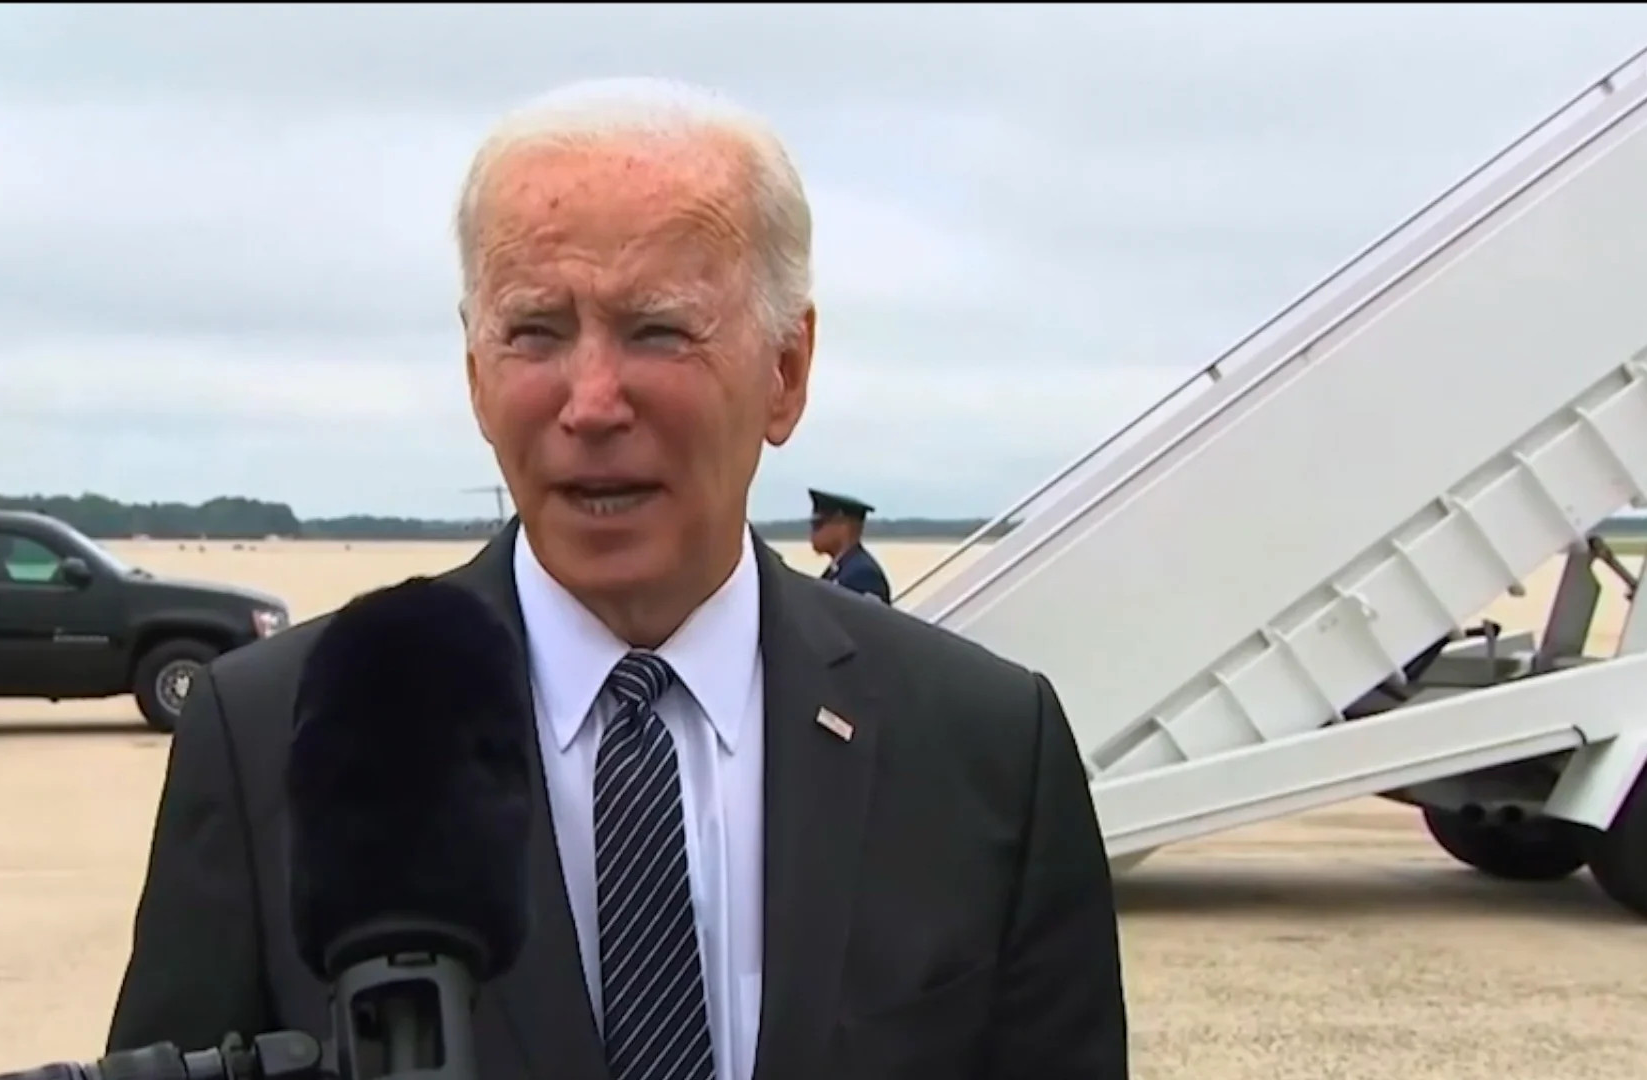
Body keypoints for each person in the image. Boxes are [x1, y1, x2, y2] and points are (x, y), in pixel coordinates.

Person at [106, 77, 1128, 1080]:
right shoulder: (274, 733)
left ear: (786, 370)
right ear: (475, 372)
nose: (592, 402)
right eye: (536, 332)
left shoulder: (989, 748)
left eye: (658, 330)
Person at [808, 488, 892, 605]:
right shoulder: (839, 570)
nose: (812, 534)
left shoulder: (863, 575)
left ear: (842, 526)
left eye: (818, 525)